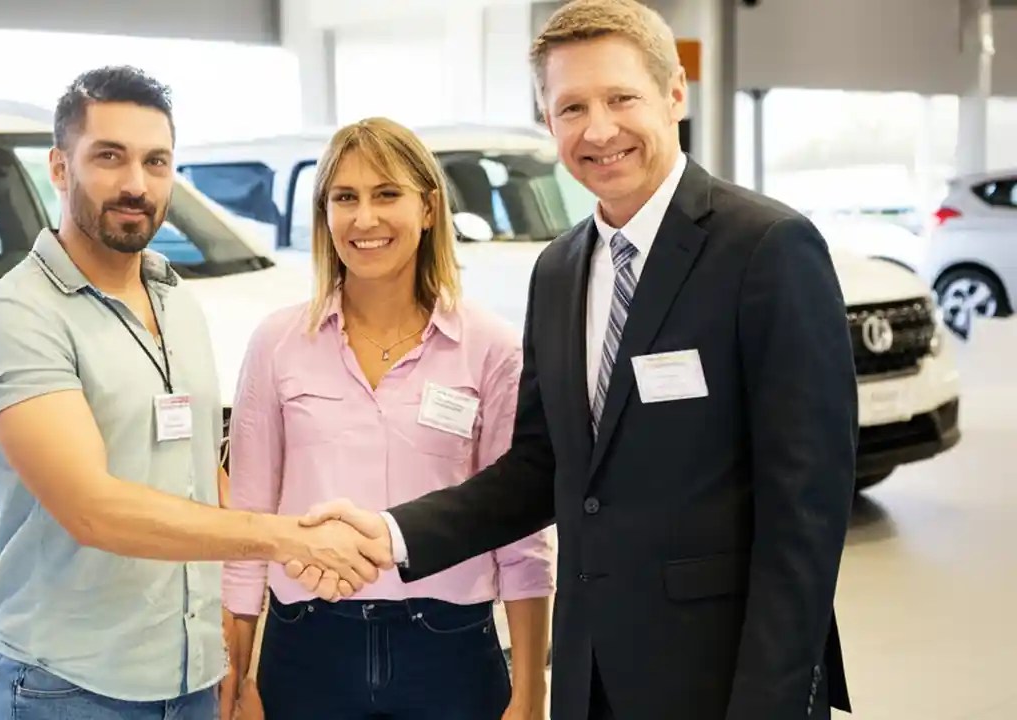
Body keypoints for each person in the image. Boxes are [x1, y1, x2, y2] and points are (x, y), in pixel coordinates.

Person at [291, 2, 858, 719]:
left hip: (722, 677)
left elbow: (807, 508)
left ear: (674, 94)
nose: (598, 129)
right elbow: (541, 468)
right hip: (593, 676)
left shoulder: (766, 248)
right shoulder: (559, 270)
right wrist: (393, 531)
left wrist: (769, 701)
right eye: (570, 107)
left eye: (621, 97)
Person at [0, 65, 390, 720]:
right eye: (110, 157)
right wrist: (290, 539)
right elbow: (93, 509)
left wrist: (237, 634)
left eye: (156, 162)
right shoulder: (19, 318)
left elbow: (195, 472)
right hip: (68, 689)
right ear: (59, 166)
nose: (137, 184)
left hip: (189, 679)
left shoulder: (173, 298)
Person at [221, 117, 555, 720]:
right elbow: (248, 520)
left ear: (428, 208)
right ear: (324, 214)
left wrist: (530, 691)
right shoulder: (277, 342)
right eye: (345, 198)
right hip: (307, 644)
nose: (364, 219)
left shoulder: (491, 347)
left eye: (386, 194)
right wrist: (239, 674)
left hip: (449, 648)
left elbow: (521, 535)